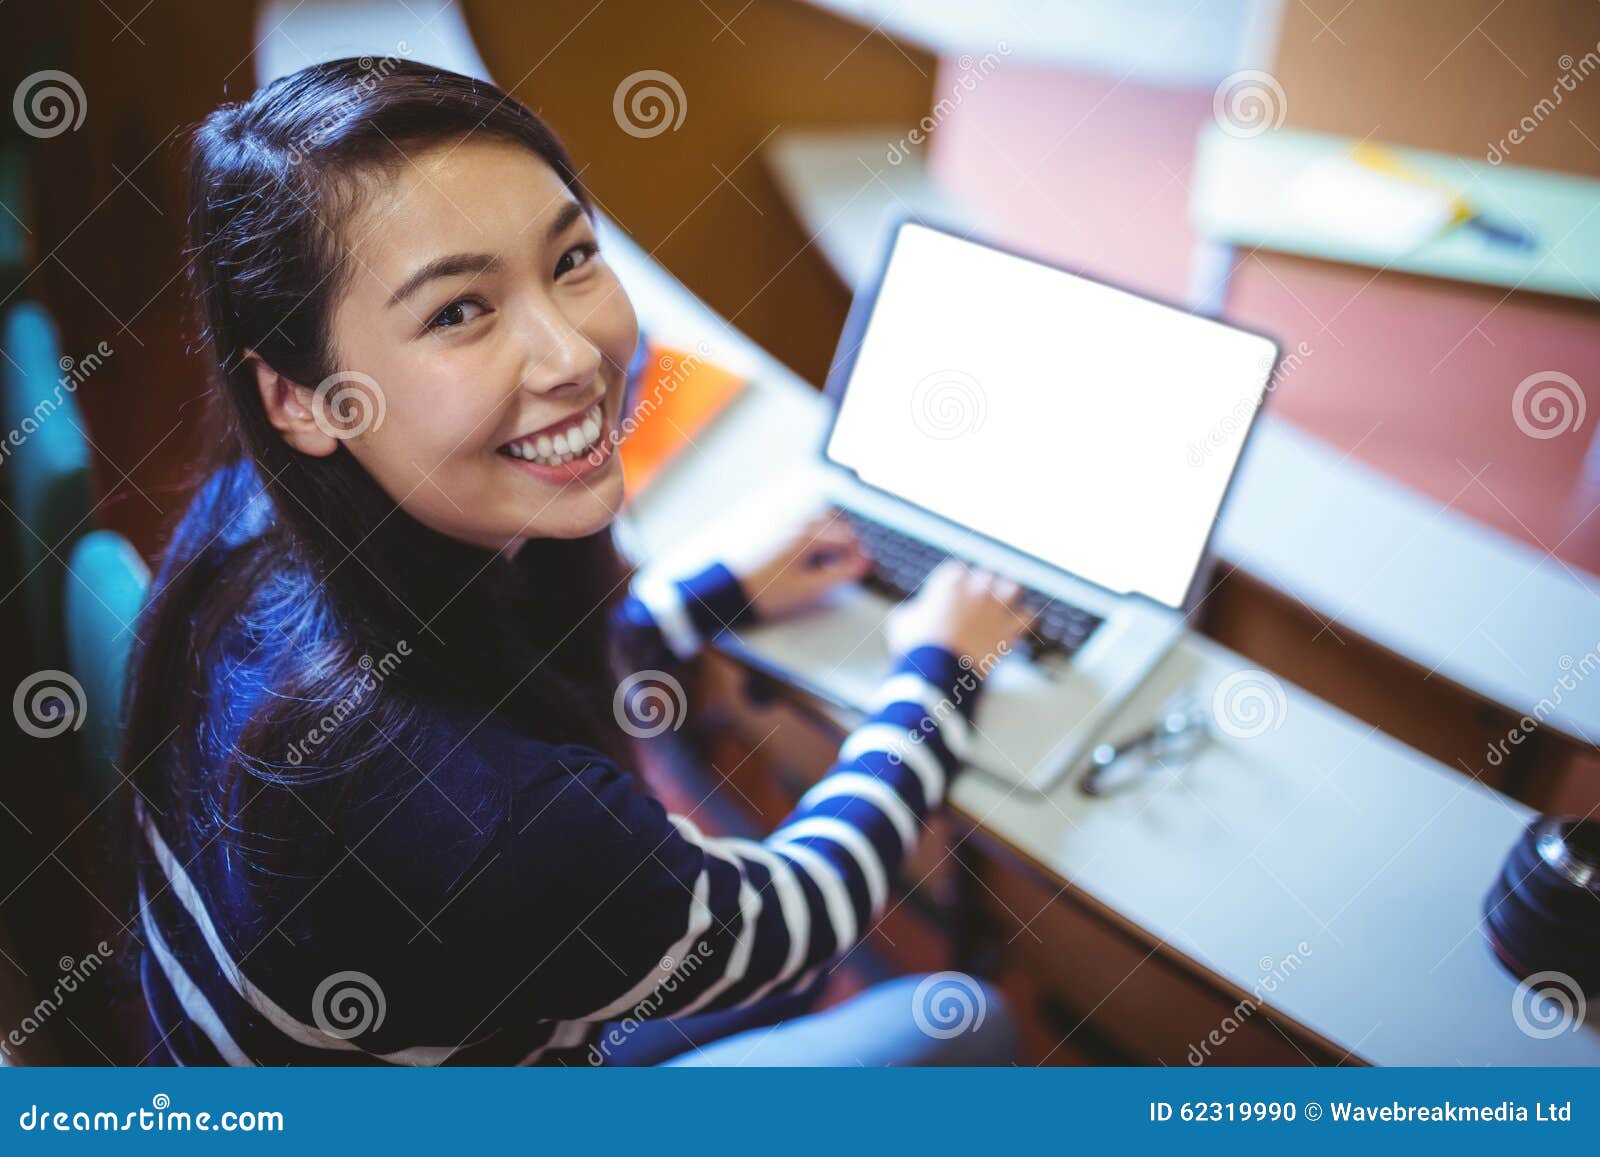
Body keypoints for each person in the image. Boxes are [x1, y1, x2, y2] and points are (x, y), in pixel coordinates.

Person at [125, 58, 1033, 1066]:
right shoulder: (497, 819)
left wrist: (703, 598)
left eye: (571, 258)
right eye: (457, 311)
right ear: (299, 398)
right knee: (961, 1018)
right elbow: (793, 922)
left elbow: (490, 685)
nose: (573, 357)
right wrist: (940, 674)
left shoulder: (246, 514)